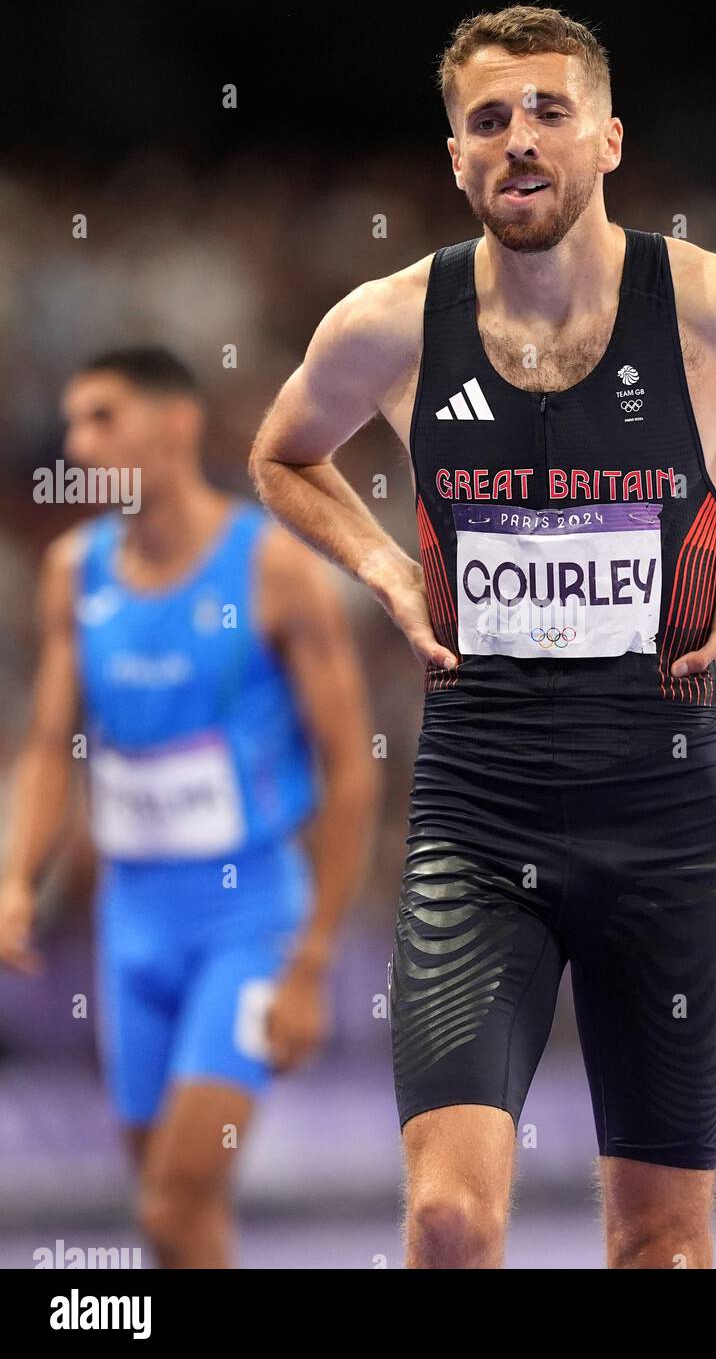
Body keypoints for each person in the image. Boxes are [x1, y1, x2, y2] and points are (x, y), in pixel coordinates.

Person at [248, 6, 716, 1269]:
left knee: (658, 1239)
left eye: (549, 113)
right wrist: (379, 563)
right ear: (456, 160)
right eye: (490, 120)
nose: (521, 140)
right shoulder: (385, 325)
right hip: (476, 812)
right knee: (446, 1216)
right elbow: (279, 454)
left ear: (608, 141)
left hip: (665, 820)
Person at [0, 347, 378, 1268]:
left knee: (175, 1202)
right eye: (74, 424)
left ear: (176, 426)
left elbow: (352, 767)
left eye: (103, 418)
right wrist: (17, 877)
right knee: (170, 1216)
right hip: (130, 925)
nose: (80, 444)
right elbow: (53, 744)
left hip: (248, 918)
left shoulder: (272, 568)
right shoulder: (73, 573)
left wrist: (312, 957)